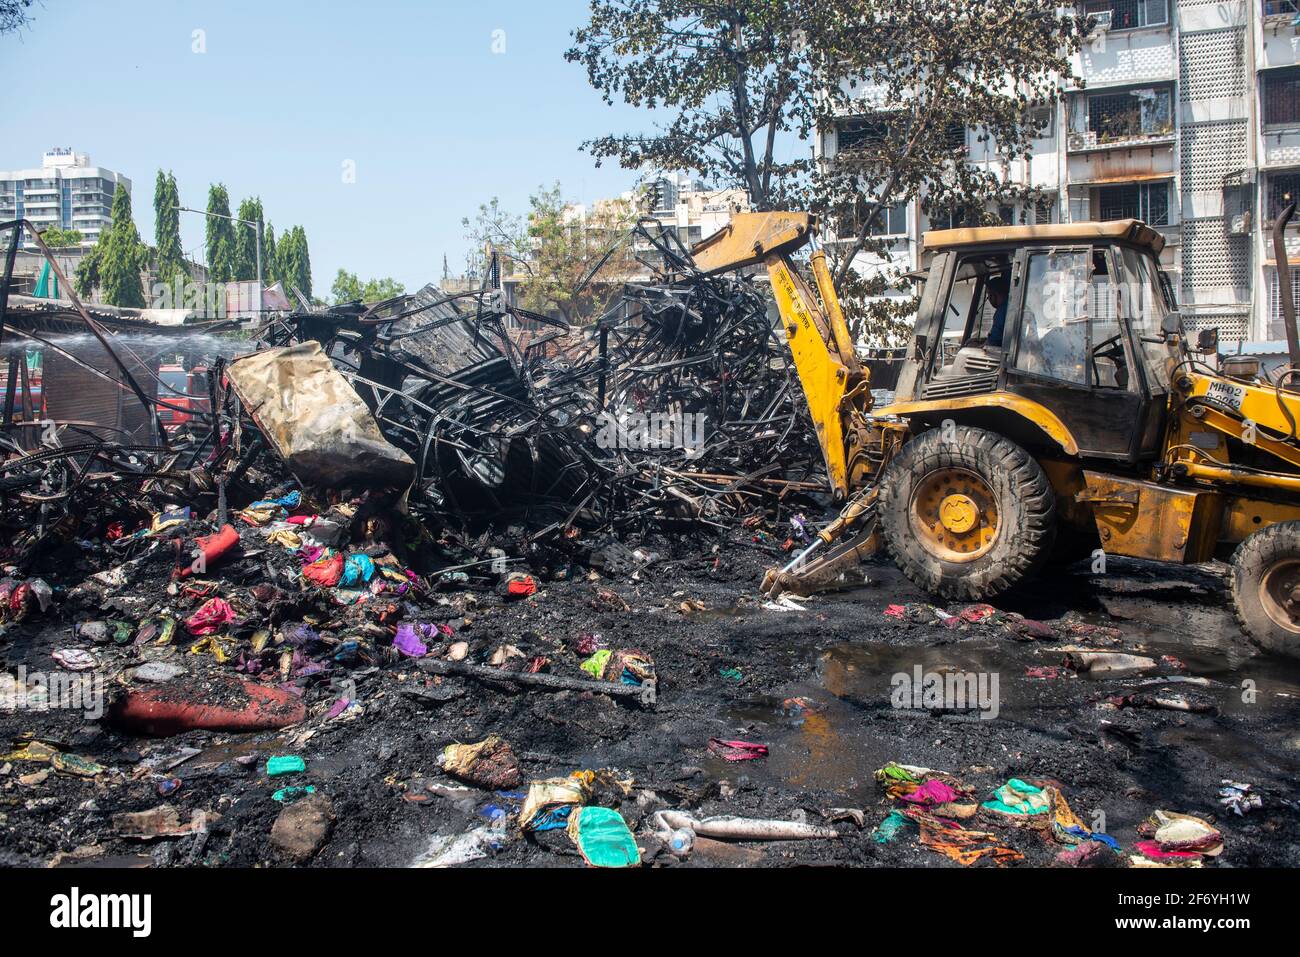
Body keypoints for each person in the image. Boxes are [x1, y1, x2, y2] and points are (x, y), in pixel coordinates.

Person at [985, 274, 1011, 348]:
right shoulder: (1019, 307)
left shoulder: (1002, 311)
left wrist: (981, 346)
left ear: (995, 294)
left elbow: (993, 341)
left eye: (989, 295)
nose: (989, 299)